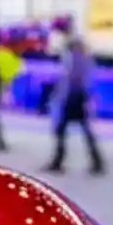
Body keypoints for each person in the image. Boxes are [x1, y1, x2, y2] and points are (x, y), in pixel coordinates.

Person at [46, 38, 105, 175]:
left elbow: (70, 81)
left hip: (74, 99)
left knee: (62, 131)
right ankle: (96, 162)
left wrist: (59, 97)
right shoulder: (85, 60)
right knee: (82, 131)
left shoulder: (75, 60)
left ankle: (58, 161)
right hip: (78, 99)